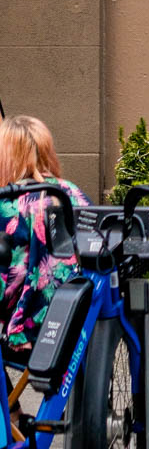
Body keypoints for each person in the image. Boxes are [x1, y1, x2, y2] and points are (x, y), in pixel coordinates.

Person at [0, 116, 88, 362]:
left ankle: (10, 401)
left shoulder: (8, 204)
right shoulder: (72, 192)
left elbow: (6, 282)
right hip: (76, 322)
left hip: (28, 335)